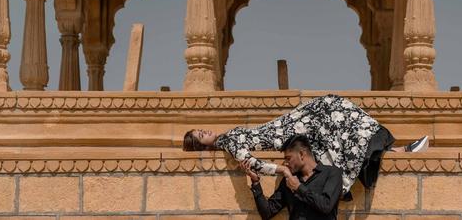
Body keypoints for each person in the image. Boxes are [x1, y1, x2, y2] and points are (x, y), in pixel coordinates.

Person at [183, 94, 428, 197]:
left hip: (287, 126)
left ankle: (390, 150)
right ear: (201, 147)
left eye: (200, 129)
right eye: (199, 136)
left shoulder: (226, 136)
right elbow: (252, 163)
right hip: (287, 132)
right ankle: (391, 150)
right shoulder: (227, 141)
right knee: (333, 107)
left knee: (335, 114)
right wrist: (282, 170)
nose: (204, 131)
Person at [241, 134, 343, 220]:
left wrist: (298, 187)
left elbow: (326, 205)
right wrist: (255, 182)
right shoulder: (289, 180)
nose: (286, 163)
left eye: (288, 158)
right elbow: (267, 212)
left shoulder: (332, 173)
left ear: (302, 154)